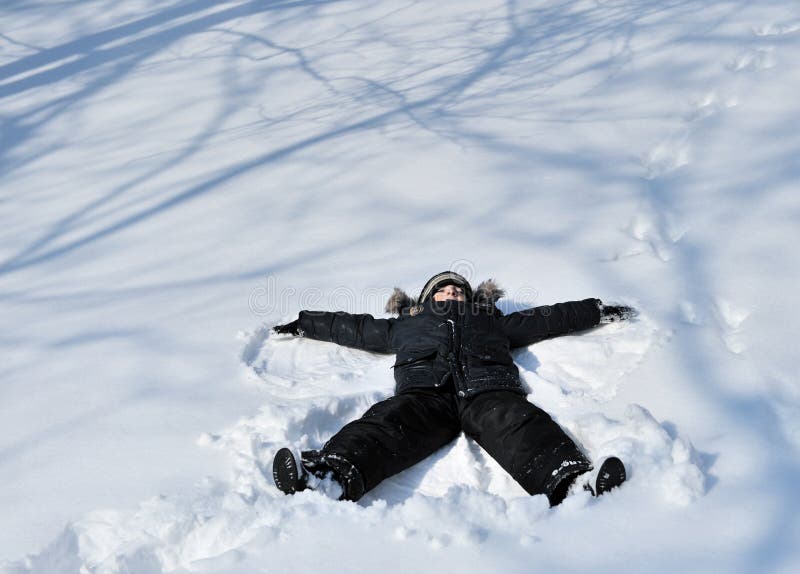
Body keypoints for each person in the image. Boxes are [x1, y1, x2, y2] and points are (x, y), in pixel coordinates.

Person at [271, 271, 636, 506]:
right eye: (442, 290)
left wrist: (595, 310)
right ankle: (329, 477)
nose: (450, 292)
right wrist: (306, 324)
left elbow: (549, 318)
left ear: (470, 297)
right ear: (427, 299)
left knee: (517, 423)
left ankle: (571, 484)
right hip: (425, 393)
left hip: (486, 390)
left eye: (456, 289)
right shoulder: (407, 326)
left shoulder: (491, 322)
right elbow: (356, 327)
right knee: (387, 424)